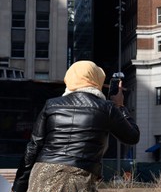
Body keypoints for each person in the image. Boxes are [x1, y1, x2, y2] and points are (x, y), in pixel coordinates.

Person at [12, 60, 140, 192]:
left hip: (42, 175)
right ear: (97, 79)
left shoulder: (52, 105)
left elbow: (33, 147)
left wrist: (19, 185)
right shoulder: (107, 108)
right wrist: (120, 106)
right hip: (77, 177)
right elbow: (132, 137)